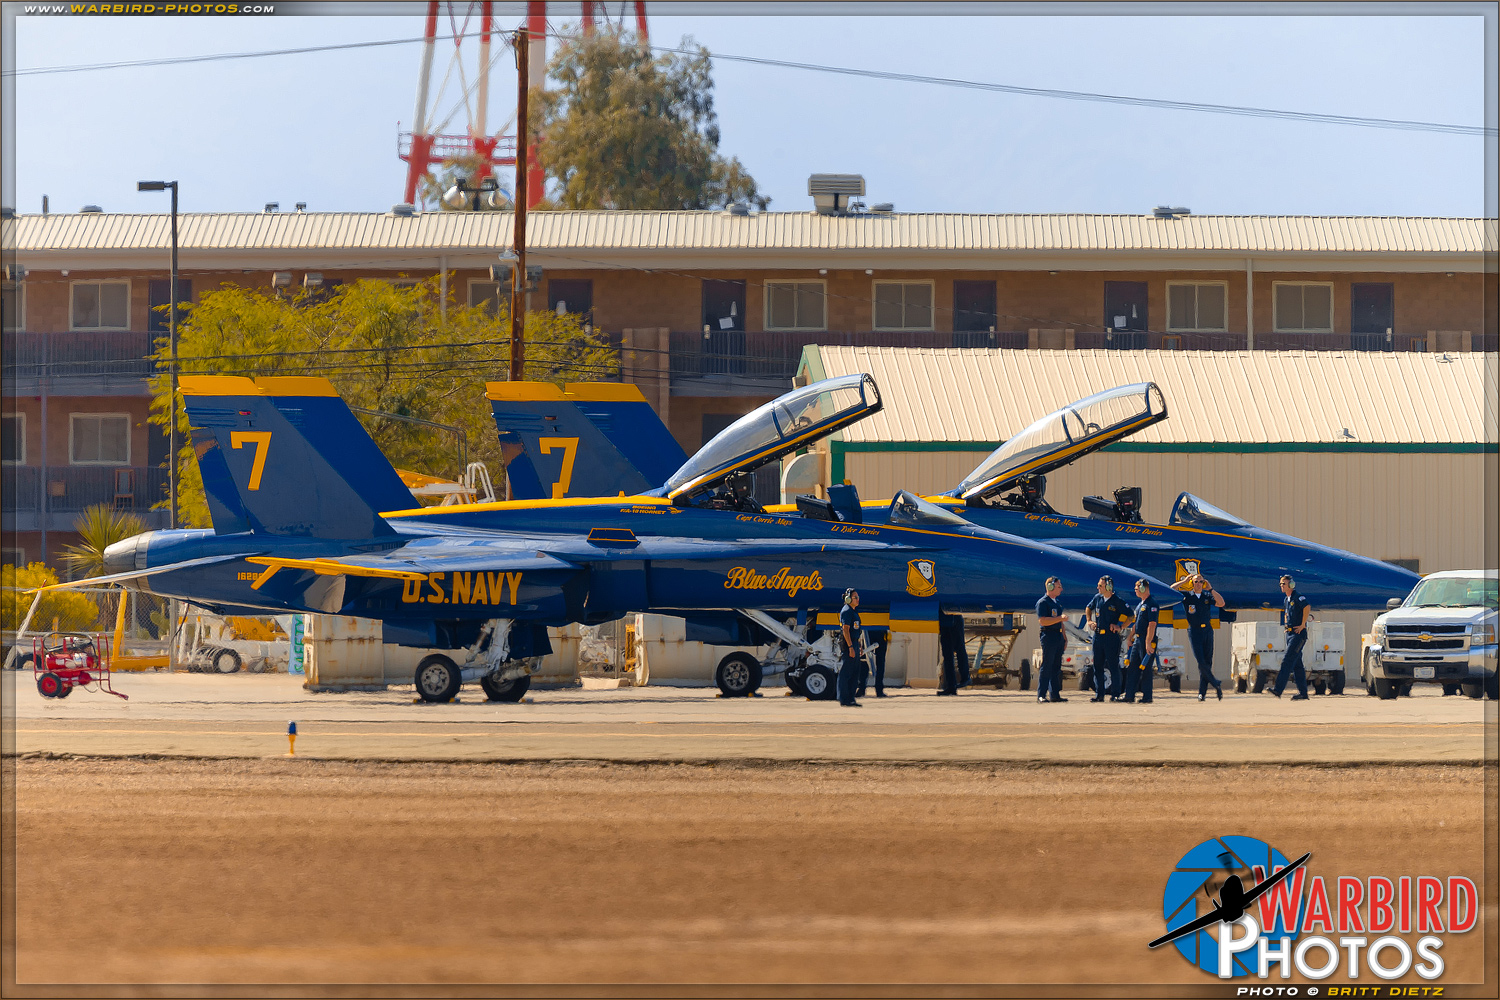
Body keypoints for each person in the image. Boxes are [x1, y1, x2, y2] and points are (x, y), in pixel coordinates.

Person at [1178, 573, 1225, 701]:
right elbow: (1171, 589)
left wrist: (1210, 589)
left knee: (1207, 662)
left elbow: (1221, 603)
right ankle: (1215, 683)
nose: (1198, 584)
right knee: (1201, 661)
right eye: (1196, 582)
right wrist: (1184, 581)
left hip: (1207, 631)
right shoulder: (1187, 596)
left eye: (1200, 582)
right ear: (1192, 583)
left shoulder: (1207, 596)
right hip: (1194, 631)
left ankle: (1202, 693)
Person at [1085, 575, 1130, 702]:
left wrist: (1120, 627)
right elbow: (1088, 608)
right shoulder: (1097, 598)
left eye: (1100, 585)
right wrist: (1089, 621)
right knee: (1097, 666)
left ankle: (1115, 694)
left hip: (1111, 638)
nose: (1098, 587)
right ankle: (1099, 694)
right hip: (1098, 636)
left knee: (1113, 666)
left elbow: (1131, 616)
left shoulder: (1117, 601)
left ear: (1109, 587)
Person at [1273, 575, 1311, 701]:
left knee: (1287, 661)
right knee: (1297, 665)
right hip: (1289, 634)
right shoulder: (1286, 599)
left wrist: (1302, 624)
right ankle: (1303, 693)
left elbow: (1307, 607)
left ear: (1291, 585)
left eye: (1283, 584)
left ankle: (1278, 689)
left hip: (1298, 634)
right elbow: (1288, 614)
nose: (1281, 586)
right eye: (1280, 584)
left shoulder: (1298, 597)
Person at [1122, 578, 1160, 704]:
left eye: (1137, 588)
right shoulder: (1140, 605)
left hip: (1146, 639)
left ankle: (1147, 696)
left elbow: (1152, 625)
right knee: (1132, 668)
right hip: (1137, 640)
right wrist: (1130, 637)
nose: (1135, 590)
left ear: (1144, 588)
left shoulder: (1151, 604)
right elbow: (1136, 623)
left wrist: (1148, 643)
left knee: (1146, 669)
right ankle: (1129, 695)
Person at [1035, 577, 1068, 703]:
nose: (1061, 589)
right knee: (1047, 665)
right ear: (1050, 587)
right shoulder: (1043, 603)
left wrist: (1064, 638)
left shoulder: (1057, 603)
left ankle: (1055, 694)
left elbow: (1061, 623)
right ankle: (1041, 694)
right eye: (1059, 586)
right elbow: (1042, 620)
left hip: (1058, 636)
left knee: (1056, 666)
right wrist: (1059, 618)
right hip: (1048, 635)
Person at [837, 589, 863, 707]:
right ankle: (844, 698)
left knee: (855, 672)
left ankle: (851, 698)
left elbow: (856, 630)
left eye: (858, 597)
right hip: (849, 644)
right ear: (848, 599)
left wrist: (859, 646)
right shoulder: (846, 611)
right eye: (855, 597)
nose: (858, 599)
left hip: (855, 643)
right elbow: (845, 630)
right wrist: (851, 647)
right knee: (846, 672)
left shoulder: (853, 611)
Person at [937, 613, 965, 696]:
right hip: (948, 621)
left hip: (949, 621)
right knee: (949, 655)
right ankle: (952, 685)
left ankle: (953, 685)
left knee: (949, 655)